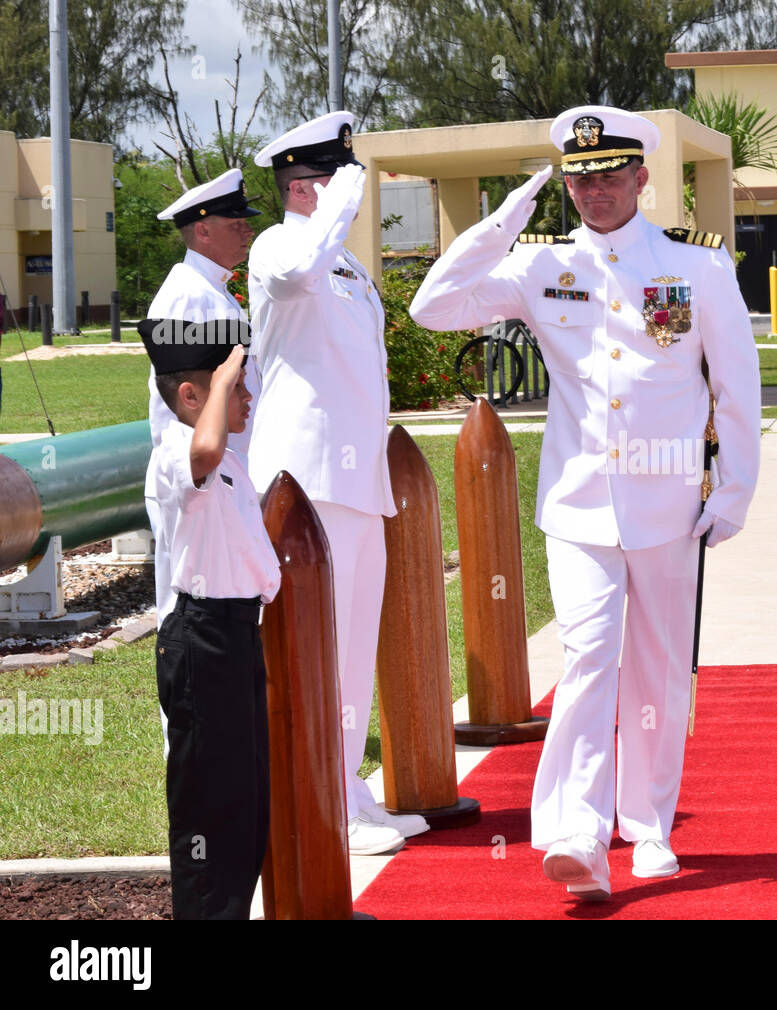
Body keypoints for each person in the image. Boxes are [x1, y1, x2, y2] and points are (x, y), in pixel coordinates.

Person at [409, 105, 761, 901]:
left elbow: (736, 389)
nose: (593, 190)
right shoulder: (539, 266)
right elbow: (432, 307)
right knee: (587, 656)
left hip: (670, 502)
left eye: (608, 174)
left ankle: (650, 824)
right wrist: (500, 224)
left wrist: (732, 489)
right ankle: (575, 831)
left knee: (663, 671)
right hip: (577, 504)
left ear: (642, 176)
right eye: (578, 177)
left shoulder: (697, 269)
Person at [247, 111, 425, 857]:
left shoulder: (344, 264)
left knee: (351, 648)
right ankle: (313, 797)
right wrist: (339, 210)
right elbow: (294, 274)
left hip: (356, 483)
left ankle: (346, 789)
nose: (356, 191)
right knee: (312, 646)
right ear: (307, 186)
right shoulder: (280, 246)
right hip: (305, 484)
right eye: (340, 178)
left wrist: (341, 220)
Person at [138, 322, 280, 919]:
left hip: (236, 637)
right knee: (209, 807)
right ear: (192, 396)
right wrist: (223, 379)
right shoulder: (178, 447)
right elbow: (203, 452)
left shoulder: (229, 463)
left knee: (244, 803)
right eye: (232, 385)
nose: (246, 396)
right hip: (202, 640)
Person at [146, 169, 261, 625]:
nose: (248, 229)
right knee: (188, 610)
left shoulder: (214, 291)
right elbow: (177, 402)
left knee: (223, 609)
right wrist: (202, 476)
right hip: (197, 480)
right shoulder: (185, 296)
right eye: (236, 223)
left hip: (220, 472)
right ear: (203, 229)